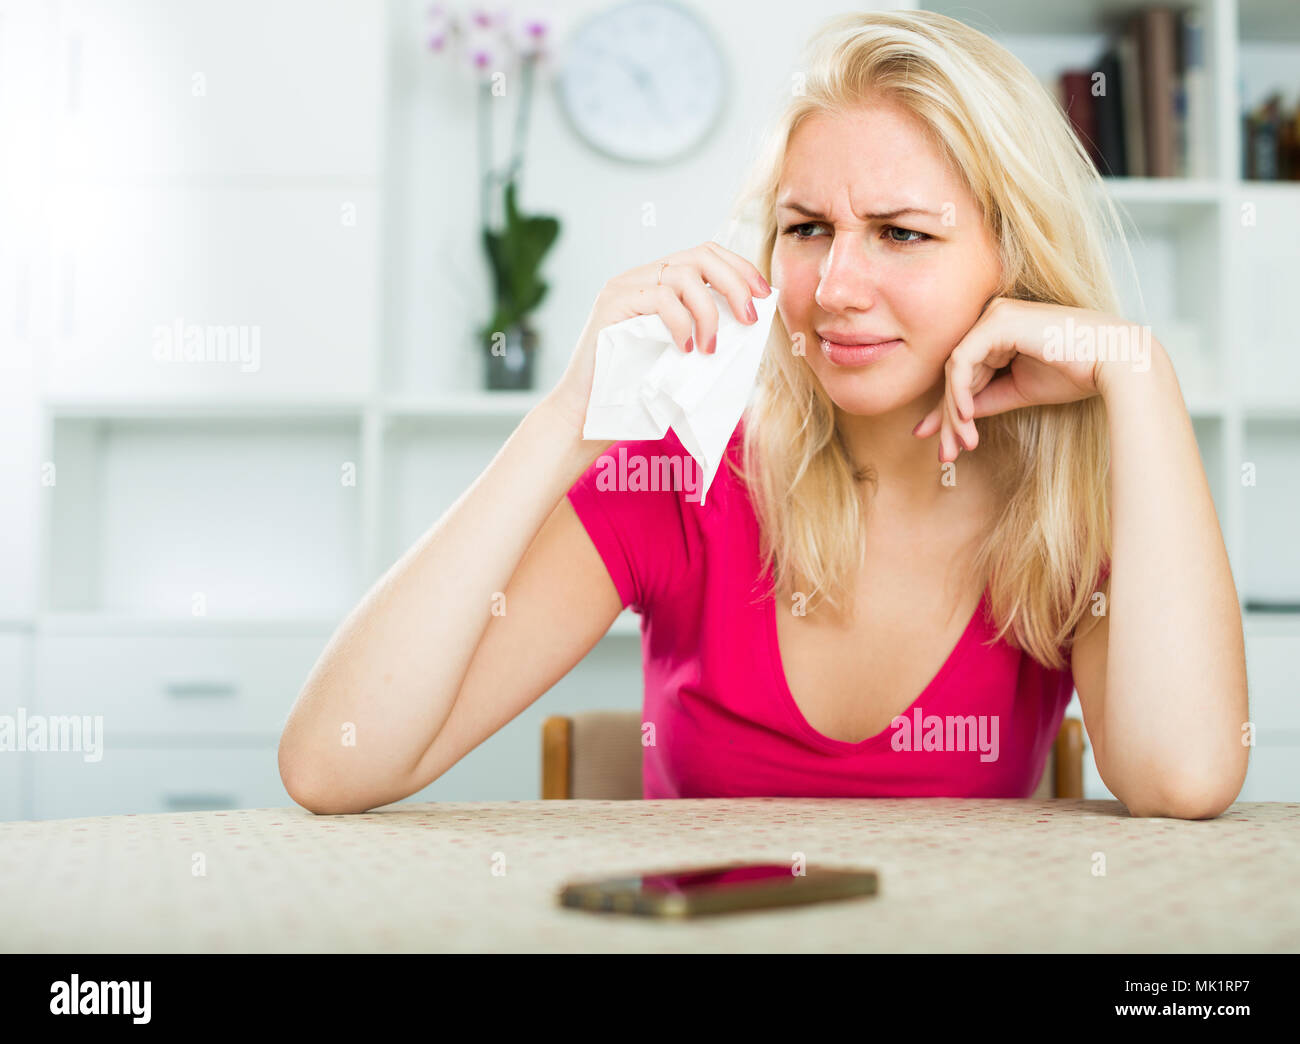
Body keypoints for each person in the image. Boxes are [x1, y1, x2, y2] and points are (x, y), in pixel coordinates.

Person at [278, 11, 1248, 818]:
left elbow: (1186, 778)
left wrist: (1139, 371)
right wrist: (569, 414)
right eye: (807, 229)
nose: (833, 287)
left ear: (1014, 259)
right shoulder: (682, 479)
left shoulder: (1071, 520)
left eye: (901, 233)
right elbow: (333, 765)